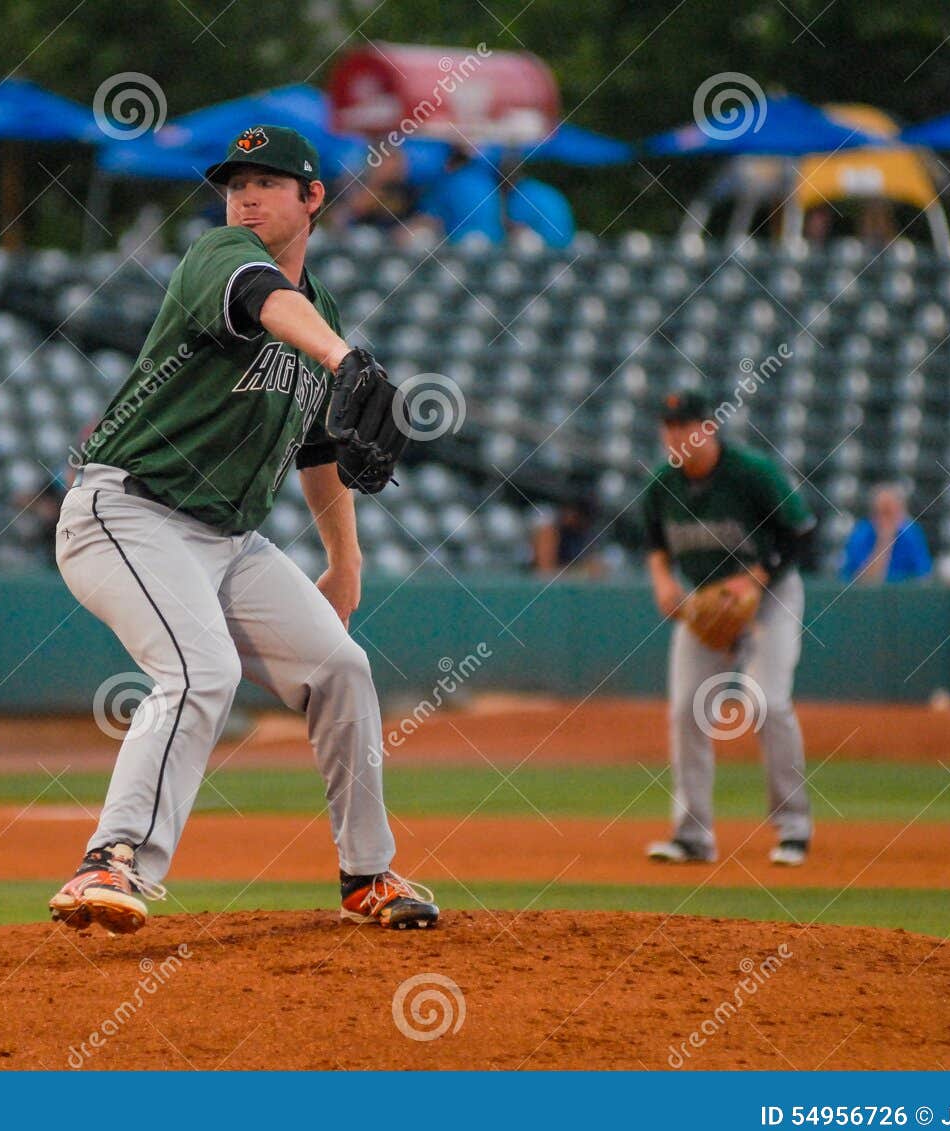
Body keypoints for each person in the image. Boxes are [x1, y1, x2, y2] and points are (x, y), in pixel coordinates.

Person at [49, 125, 438, 935]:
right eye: (235, 183)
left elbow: (321, 445)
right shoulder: (218, 260)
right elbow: (266, 301)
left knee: (341, 668)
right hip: (126, 510)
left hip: (227, 542)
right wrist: (344, 359)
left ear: (313, 198)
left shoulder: (318, 311)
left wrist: (346, 561)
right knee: (200, 671)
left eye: (267, 181)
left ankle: (366, 874)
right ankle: (111, 858)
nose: (246, 196)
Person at [641, 391, 818, 867]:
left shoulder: (752, 473)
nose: (676, 435)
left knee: (766, 702)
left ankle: (794, 829)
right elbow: (655, 541)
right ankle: (692, 837)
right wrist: (662, 580)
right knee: (685, 711)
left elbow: (803, 534)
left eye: (686, 425)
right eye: (669, 426)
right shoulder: (662, 485)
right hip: (705, 606)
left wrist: (756, 578)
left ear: (709, 428)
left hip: (772, 597)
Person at [840, 484, 932, 583]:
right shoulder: (861, 534)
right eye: (880, 512)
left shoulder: (911, 533)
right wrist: (884, 541)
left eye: (890, 512)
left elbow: (924, 577)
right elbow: (863, 583)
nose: (885, 519)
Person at [412, 146, 504, 244]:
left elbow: (431, 218)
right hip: (494, 241)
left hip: (461, 243)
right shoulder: (486, 180)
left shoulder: (449, 183)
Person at [340, 145, 418, 241]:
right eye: (389, 161)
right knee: (365, 237)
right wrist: (376, 185)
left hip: (397, 240)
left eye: (398, 162)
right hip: (362, 235)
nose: (395, 167)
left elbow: (420, 216)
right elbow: (351, 212)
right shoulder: (359, 183)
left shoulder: (408, 189)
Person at [532, 496, 602, 577]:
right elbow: (545, 571)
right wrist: (580, 571)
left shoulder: (580, 534)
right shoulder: (549, 532)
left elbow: (594, 567)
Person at [503, 170, 575, 249]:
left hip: (547, 245)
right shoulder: (541, 189)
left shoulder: (519, 194)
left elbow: (516, 225)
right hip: (566, 242)